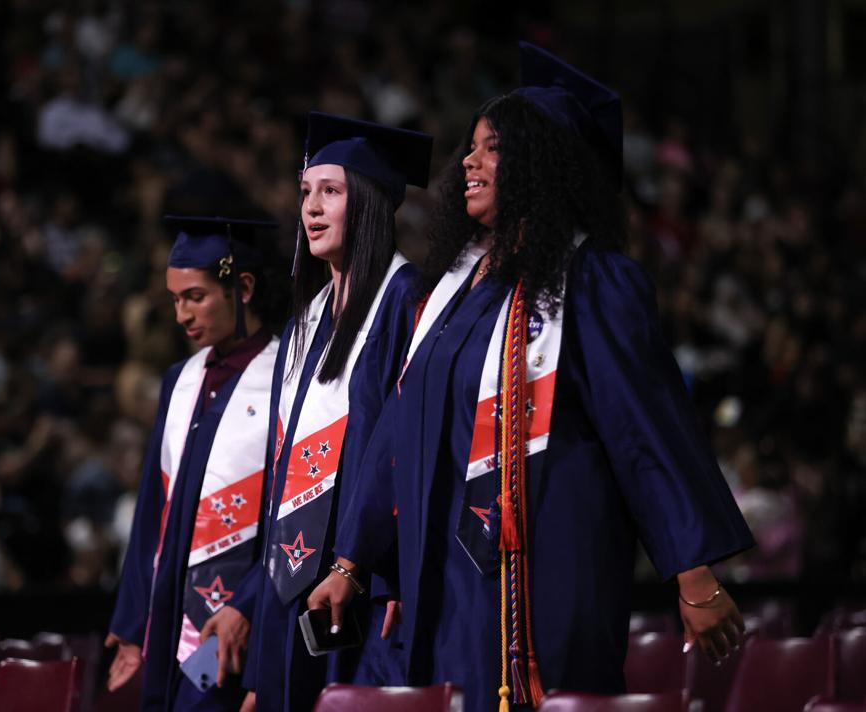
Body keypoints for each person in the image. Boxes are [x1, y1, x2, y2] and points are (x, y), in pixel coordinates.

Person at [309, 42, 754, 711]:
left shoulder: (591, 281)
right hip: (442, 572)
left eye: (492, 149)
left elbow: (643, 427)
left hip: (544, 561)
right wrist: (352, 560)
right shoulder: (445, 295)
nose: (468, 161)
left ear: (540, 163)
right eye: (469, 148)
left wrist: (693, 571)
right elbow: (396, 432)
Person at [211, 113, 432, 712]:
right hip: (297, 583)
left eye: (330, 191)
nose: (310, 207)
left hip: (365, 582)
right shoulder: (306, 322)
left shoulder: (407, 301)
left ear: (369, 204)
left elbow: (403, 450)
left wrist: (371, 567)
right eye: (306, 191)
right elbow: (285, 484)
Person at [106, 217, 282, 711]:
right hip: (170, 608)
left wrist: (249, 603)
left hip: (236, 609)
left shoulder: (285, 376)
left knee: (206, 700)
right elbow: (151, 509)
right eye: (174, 299)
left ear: (242, 288)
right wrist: (131, 626)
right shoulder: (180, 381)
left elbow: (289, 513)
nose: (181, 315)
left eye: (195, 297)